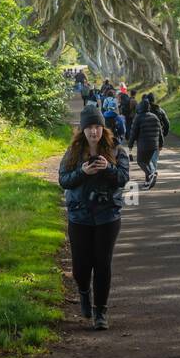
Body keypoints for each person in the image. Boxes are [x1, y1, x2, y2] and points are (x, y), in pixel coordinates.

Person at [58, 105, 130, 330]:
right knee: (81, 266)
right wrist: (82, 172)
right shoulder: (73, 153)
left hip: (107, 215)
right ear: (82, 129)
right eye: (89, 127)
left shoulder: (116, 150)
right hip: (79, 216)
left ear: (103, 128)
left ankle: (101, 312)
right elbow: (63, 180)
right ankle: (83, 292)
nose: (93, 131)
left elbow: (123, 178)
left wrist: (108, 168)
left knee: (102, 263)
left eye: (97, 126)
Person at [129, 97, 165, 190]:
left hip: (143, 145)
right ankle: (147, 182)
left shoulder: (138, 117)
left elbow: (133, 132)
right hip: (154, 145)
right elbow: (160, 131)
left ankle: (151, 175)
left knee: (141, 162)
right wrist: (161, 144)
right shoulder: (155, 117)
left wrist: (130, 145)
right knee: (147, 162)